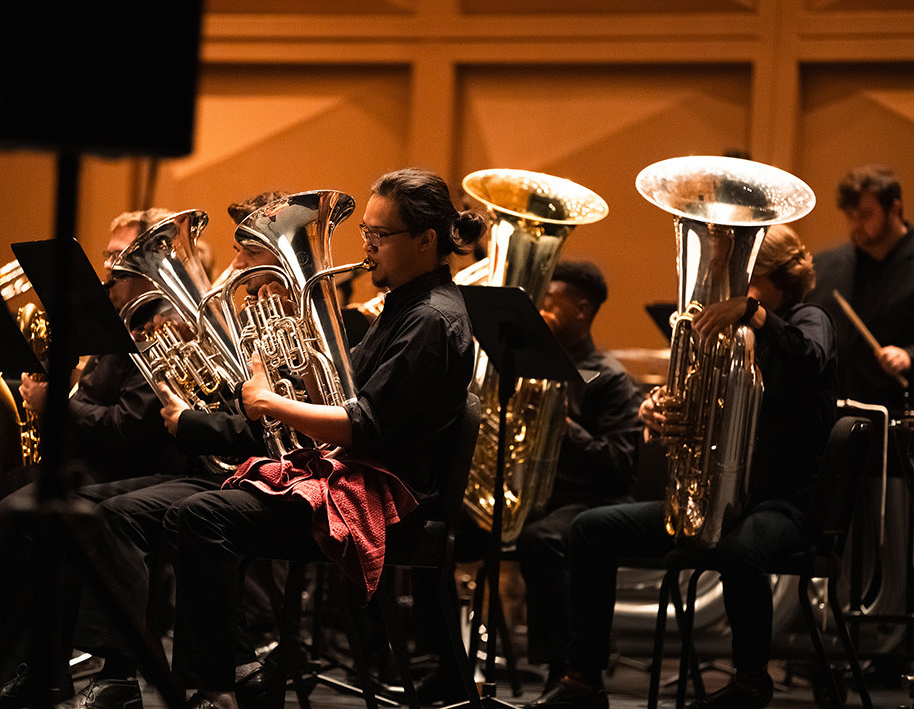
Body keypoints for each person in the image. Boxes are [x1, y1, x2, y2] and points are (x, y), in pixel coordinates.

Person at [166, 168, 483, 709]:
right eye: (365, 231)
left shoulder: (431, 320)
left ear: (427, 240)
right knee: (199, 509)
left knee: (199, 517)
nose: (365, 247)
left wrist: (268, 401)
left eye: (379, 236)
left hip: (386, 501)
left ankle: (225, 684)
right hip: (357, 478)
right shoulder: (405, 307)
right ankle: (238, 672)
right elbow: (343, 396)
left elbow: (362, 425)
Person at [531, 224, 837, 708]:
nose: (735, 294)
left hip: (783, 506)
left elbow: (812, 357)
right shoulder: (734, 331)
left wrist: (752, 312)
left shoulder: (807, 318)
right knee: (591, 529)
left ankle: (751, 681)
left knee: (741, 551)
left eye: (748, 281)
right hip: (715, 500)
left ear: (780, 279)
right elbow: (698, 407)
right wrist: (661, 409)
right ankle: (583, 680)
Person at [0, 208, 198, 696]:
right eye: (109, 254)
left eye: (122, 256)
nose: (109, 268)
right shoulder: (114, 319)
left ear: (155, 260)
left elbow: (131, 425)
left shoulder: (167, 327)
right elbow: (92, 404)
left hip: (132, 469)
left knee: (17, 515)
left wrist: (61, 405)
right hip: (83, 461)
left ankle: (41, 671)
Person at [53, 193, 288, 709]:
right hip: (234, 467)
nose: (233, 267)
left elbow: (269, 431)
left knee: (191, 515)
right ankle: (132, 673)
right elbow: (246, 421)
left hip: (278, 478)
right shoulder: (245, 325)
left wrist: (190, 421)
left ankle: (220, 677)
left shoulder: (283, 330)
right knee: (107, 512)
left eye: (246, 255)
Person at [516, 261, 643, 699]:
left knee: (540, 539)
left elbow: (619, 465)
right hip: (539, 497)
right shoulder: (533, 366)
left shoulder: (611, 378)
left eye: (551, 302)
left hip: (593, 502)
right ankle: (445, 664)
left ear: (582, 310)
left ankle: (568, 673)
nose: (541, 309)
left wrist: (563, 426)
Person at [807, 164, 913, 412]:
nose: (855, 224)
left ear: (895, 209)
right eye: (850, 215)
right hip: (834, 408)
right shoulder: (826, 265)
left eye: (865, 215)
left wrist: (909, 355)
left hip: (896, 410)